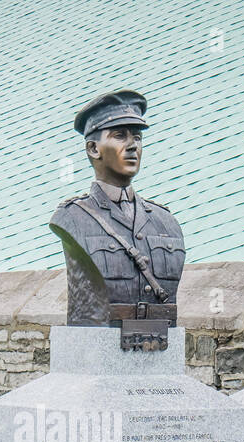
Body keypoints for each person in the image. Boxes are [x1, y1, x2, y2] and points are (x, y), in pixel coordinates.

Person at [50, 90, 185, 351]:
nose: (133, 145)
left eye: (137, 137)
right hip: (96, 348)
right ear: (93, 148)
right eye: (120, 135)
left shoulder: (166, 222)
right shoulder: (71, 218)